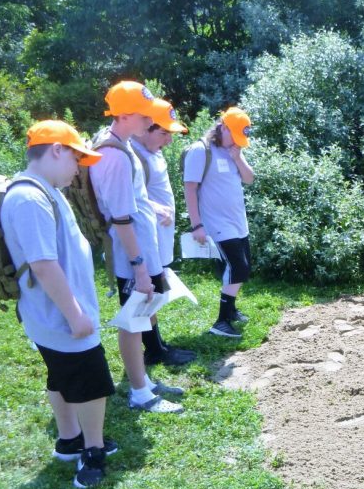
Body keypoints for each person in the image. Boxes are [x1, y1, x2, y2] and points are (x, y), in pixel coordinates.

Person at [0, 120, 120, 488]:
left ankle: (69, 440)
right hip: (61, 316)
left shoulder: (43, 190)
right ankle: (92, 453)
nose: (79, 165)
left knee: (61, 375)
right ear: (56, 150)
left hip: (52, 315)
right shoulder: (29, 198)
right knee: (90, 381)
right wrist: (75, 314)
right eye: (76, 156)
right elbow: (43, 264)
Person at [91, 81, 183, 413]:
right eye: (145, 114)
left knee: (143, 318)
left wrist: (152, 209)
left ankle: (141, 379)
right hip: (133, 255)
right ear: (126, 115)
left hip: (143, 247)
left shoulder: (124, 144)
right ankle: (140, 393)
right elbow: (120, 218)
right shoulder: (113, 156)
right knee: (133, 323)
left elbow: (132, 202)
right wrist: (139, 266)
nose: (150, 120)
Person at [129, 97, 196, 367]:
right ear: (145, 126)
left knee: (153, 293)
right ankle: (153, 351)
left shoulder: (150, 152)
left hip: (157, 238)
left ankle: (157, 345)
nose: (169, 141)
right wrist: (156, 207)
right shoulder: (131, 155)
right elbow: (126, 198)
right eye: (164, 133)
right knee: (145, 295)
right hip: (142, 241)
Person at [182, 107, 255, 339]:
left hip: (238, 222)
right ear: (222, 127)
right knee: (238, 268)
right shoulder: (200, 151)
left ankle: (231, 311)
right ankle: (221, 322)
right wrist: (197, 225)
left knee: (243, 267)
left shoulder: (233, 151)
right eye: (234, 135)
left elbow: (249, 179)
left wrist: (238, 156)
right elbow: (190, 189)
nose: (237, 141)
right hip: (216, 223)